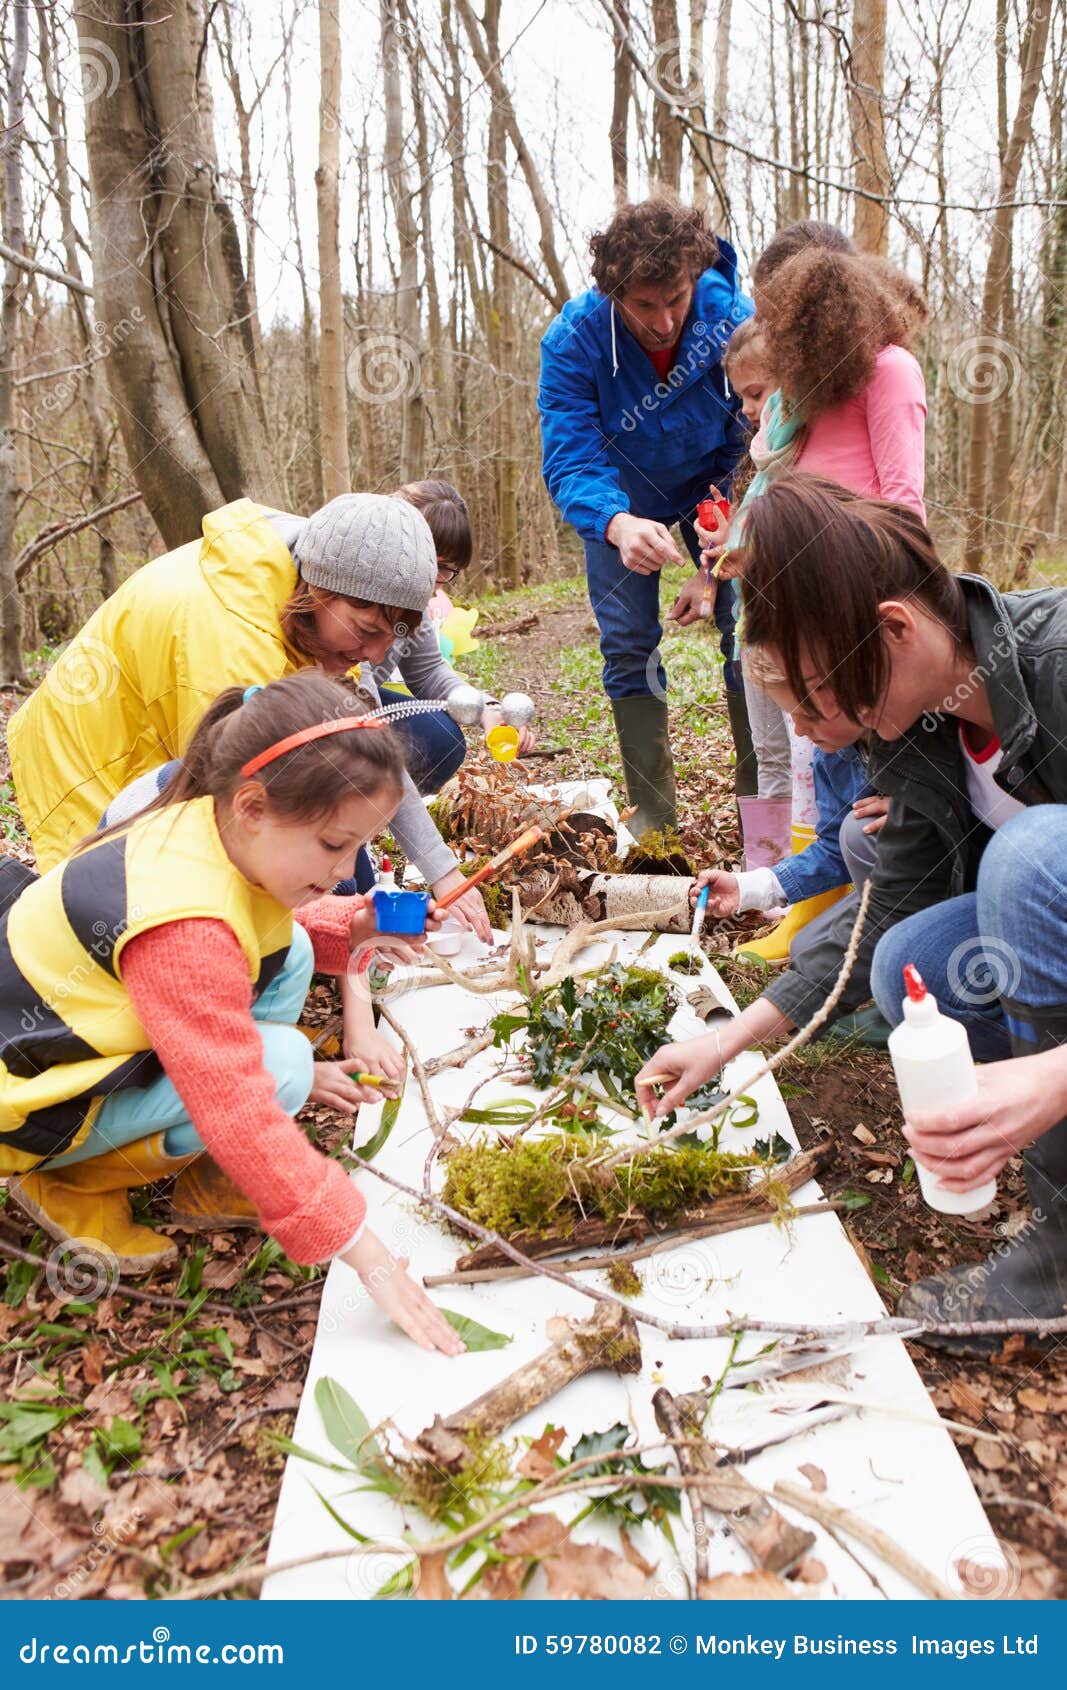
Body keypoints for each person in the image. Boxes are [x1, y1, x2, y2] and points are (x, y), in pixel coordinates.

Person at [636, 473, 1067, 1350]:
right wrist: (725, 1040)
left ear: (894, 629)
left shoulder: (1055, 663)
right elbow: (885, 905)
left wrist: (1053, 1079)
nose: (805, 729)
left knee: (1029, 863)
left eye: (812, 695)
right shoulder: (919, 729)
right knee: (912, 957)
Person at [0, 671, 464, 1355]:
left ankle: (209, 1179)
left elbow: (265, 917)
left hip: (85, 1050)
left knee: (298, 950)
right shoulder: (182, 922)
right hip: (35, 1104)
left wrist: (356, 921)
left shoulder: (208, 820)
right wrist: (359, 1245)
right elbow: (232, 1099)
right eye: (333, 845)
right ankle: (69, 1178)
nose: (343, 869)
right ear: (252, 805)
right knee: (277, 1066)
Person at [7, 493, 491, 944]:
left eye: (390, 637)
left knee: (345, 876)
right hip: (92, 765)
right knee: (317, 902)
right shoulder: (228, 645)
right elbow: (230, 815)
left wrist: (440, 868)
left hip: (179, 736)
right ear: (319, 591)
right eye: (366, 632)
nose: (375, 654)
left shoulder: (329, 564)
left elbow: (361, 738)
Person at [694, 229, 928, 959]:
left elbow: (902, 507)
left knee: (869, 799)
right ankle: (802, 902)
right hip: (786, 603)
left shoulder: (887, 372)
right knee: (804, 763)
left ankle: (891, 930)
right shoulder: (796, 402)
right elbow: (778, 490)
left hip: (852, 610)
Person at [538, 195, 756, 836]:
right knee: (629, 642)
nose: (663, 322)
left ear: (693, 279)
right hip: (619, 499)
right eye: (644, 306)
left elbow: (747, 445)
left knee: (746, 624)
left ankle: (759, 807)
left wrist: (715, 562)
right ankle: (654, 816)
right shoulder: (573, 341)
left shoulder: (732, 322)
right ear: (613, 295)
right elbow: (571, 455)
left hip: (714, 484)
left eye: (676, 300)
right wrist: (615, 522)